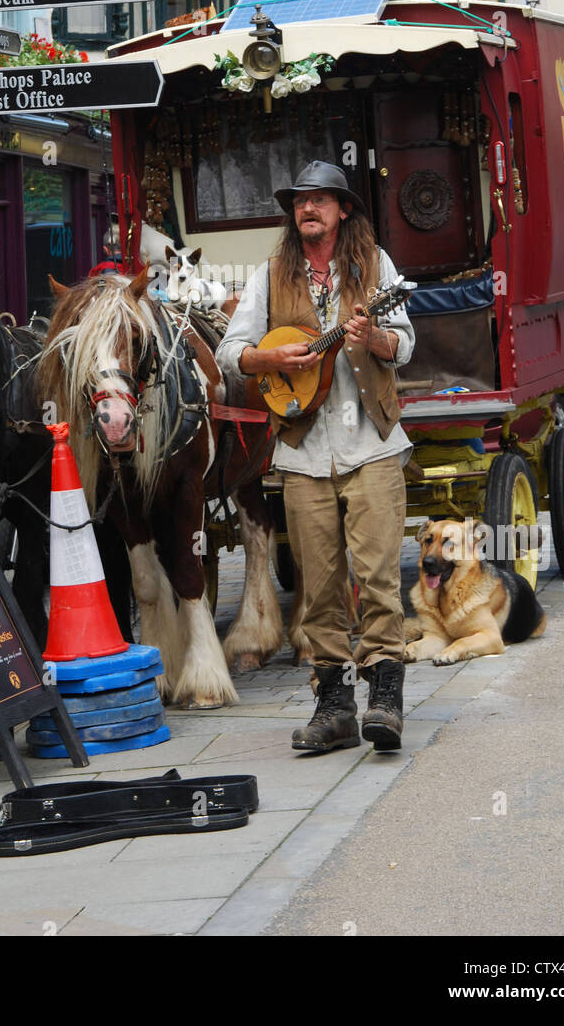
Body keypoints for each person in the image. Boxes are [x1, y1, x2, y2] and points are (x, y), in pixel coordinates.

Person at [215, 160, 415, 753]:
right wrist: (272, 361)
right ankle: (334, 710)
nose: (308, 209)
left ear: (342, 210)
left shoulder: (376, 267)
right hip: (302, 451)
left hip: (372, 445)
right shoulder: (271, 273)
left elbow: (403, 344)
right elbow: (232, 353)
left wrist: (373, 339)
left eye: (320, 201)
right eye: (300, 202)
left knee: (377, 577)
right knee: (318, 585)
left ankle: (385, 703)